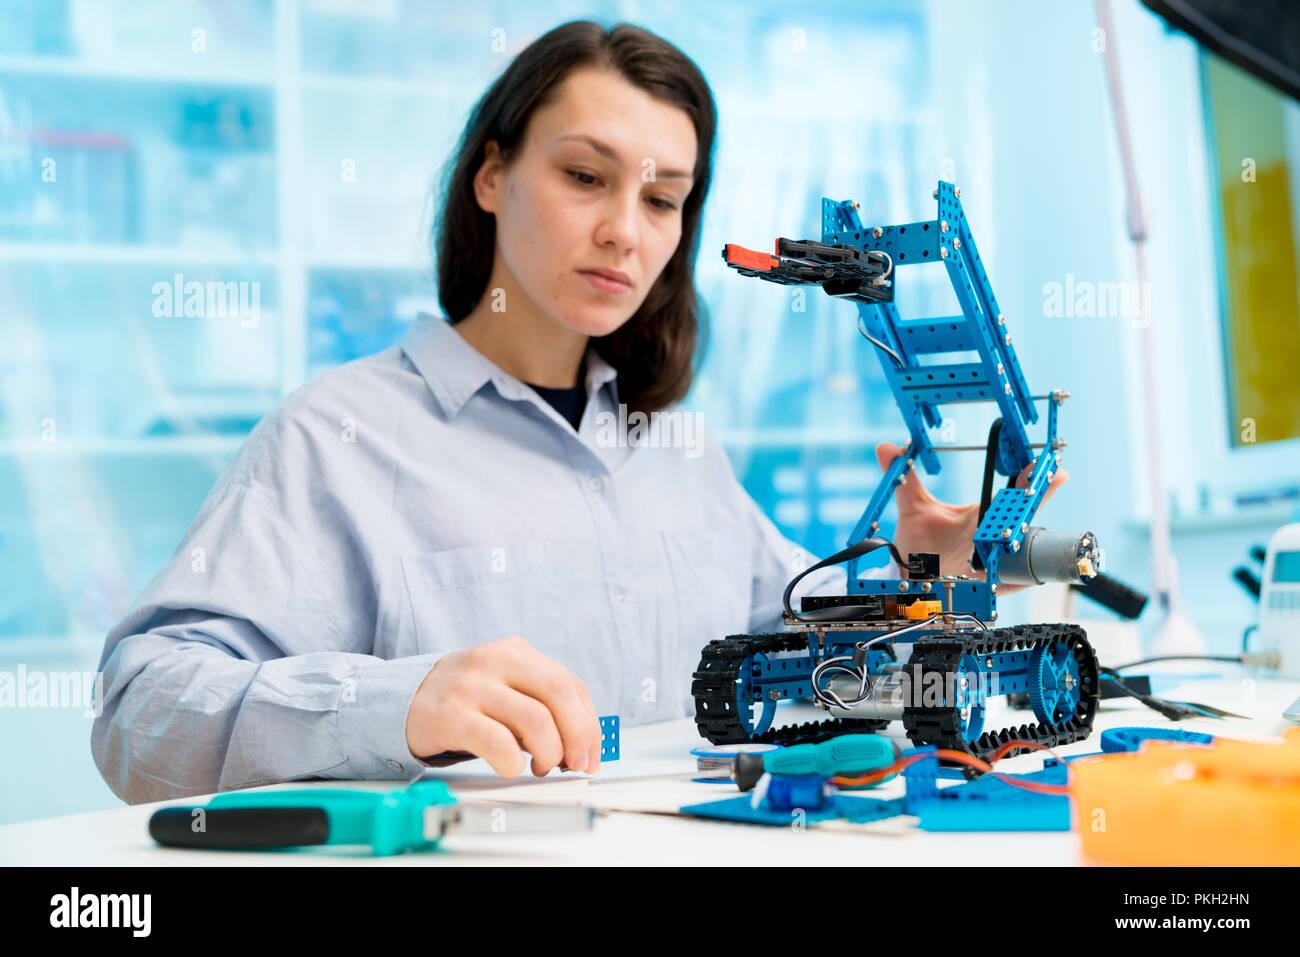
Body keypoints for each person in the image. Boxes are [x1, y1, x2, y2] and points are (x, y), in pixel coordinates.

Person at [91, 20, 1065, 804]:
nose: (622, 232)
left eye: (663, 199)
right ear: (490, 177)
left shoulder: (677, 449)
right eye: (585, 176)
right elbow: (139, 719)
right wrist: (395, 705)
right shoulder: (334, 439)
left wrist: (916, 580)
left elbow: (796, 653)